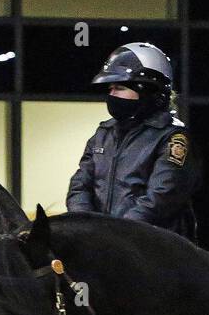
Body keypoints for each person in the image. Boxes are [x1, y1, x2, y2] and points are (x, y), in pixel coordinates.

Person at [67, 42, 200, 239]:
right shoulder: (103, 134)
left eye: (119, 88)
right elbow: (80, 186)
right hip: (103, 245)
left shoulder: (173, 137)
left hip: (152, 250)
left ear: (148, 90)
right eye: (110, 88)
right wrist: (87, 226)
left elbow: (161, 198)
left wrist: (115, 234)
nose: (111, 95)